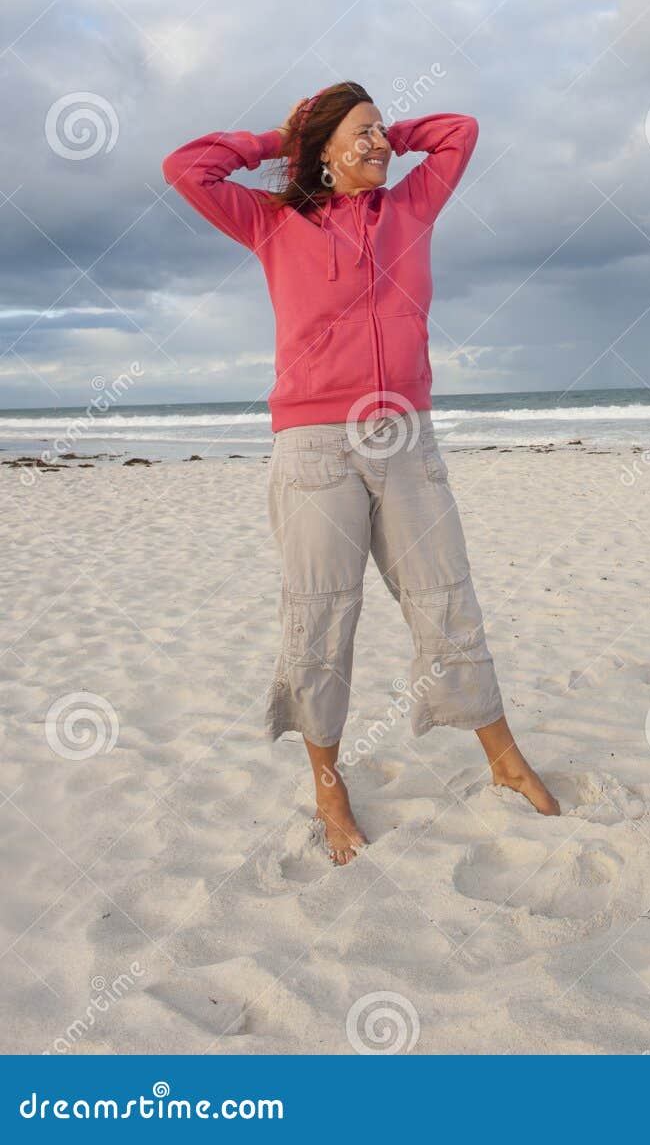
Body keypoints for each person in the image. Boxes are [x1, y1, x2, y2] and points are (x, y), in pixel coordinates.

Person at [162, 82, 559, 864]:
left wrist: (388, 132)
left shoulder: (410, 209)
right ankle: (328, 786)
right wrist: (281, 141)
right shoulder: (274, 223)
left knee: (446, 600)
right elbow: (187, 168)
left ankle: (505, 760)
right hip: (313, 445)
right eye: (362, 133)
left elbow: (460, 128)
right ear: (322, 152)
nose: (378, 142)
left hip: (404, 437)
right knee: (321, 613)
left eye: (381, 130)